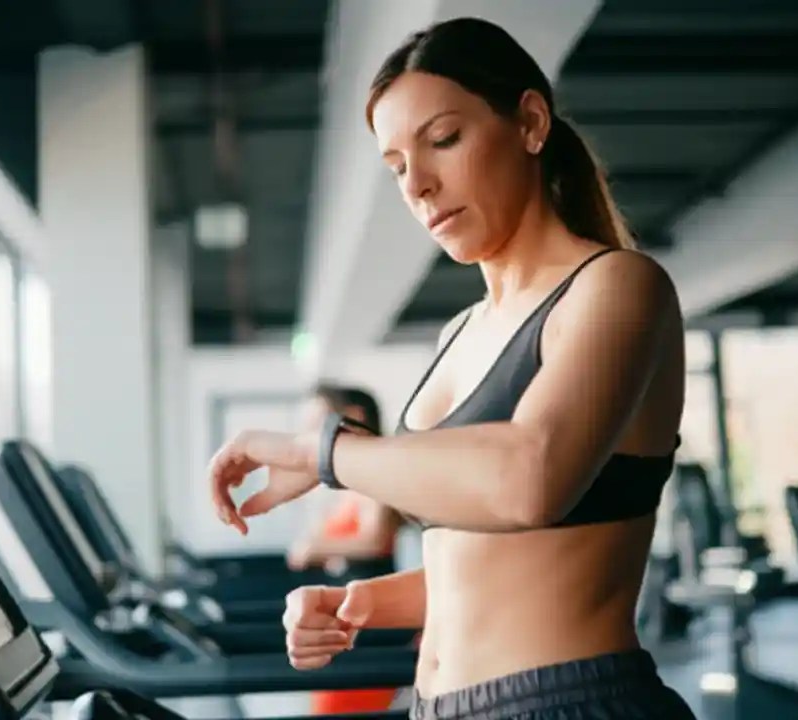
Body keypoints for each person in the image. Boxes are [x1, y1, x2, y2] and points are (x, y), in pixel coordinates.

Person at [207, 16, 695, 720]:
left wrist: (323, 452)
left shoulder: (617, 287)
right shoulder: (460, 332)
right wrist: (360, 602)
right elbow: (483, 566)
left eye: (442, 140)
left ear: (530, 123)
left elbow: (529, 479)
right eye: (397, 166)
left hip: (566, 703)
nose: (419, 185)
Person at [286, 384, 403, 576]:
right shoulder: (346, 478)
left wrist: (314, 548)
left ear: (354, 416)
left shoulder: (376, 471)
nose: (311, 437)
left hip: (371, 581)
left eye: (318, 425)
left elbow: (375, 541)